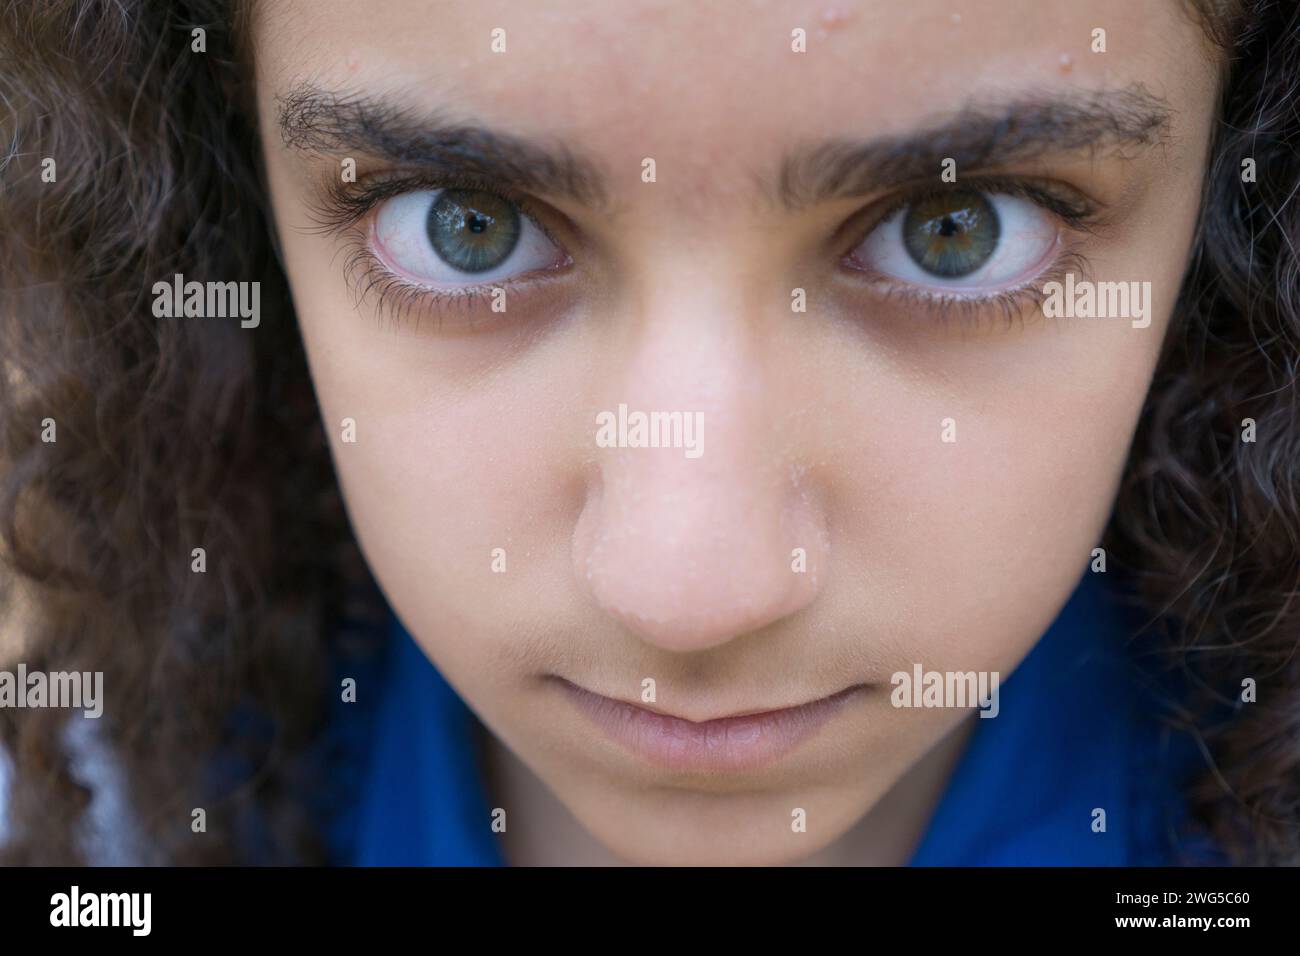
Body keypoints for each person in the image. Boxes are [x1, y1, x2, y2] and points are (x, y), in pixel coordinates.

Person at [0, 0, 1295, 866]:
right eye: (466, 225)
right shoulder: (78, 814)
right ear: (225, 200)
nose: (692, 593)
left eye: (957, 231)